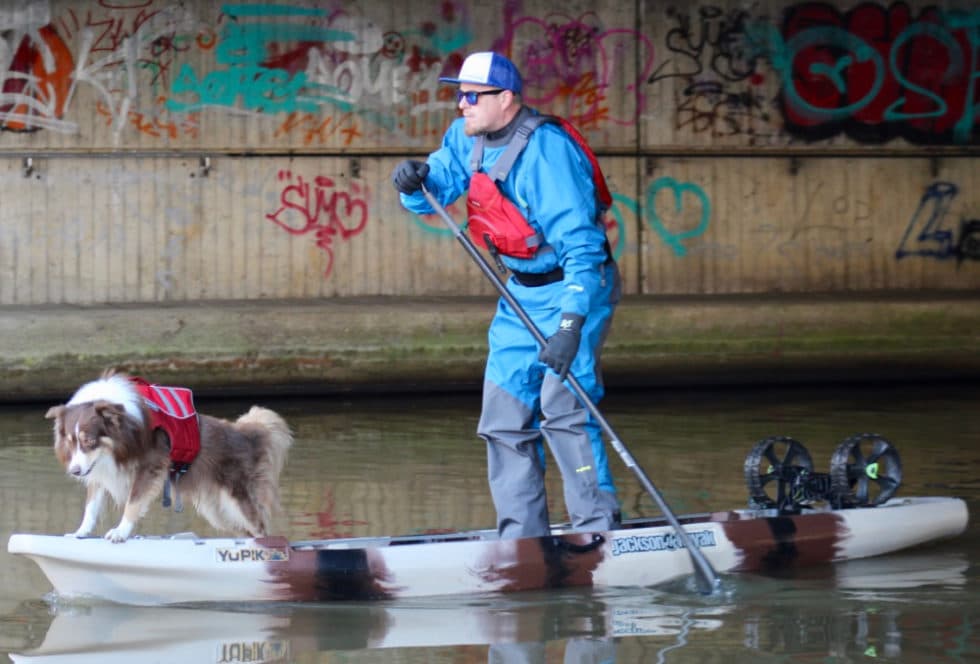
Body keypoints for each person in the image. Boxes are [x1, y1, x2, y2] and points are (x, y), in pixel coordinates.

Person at [392, 51, 621, 539]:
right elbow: (432, 190)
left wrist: (570, 326)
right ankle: (523, 538)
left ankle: (597, 527)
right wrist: (412, 183)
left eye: (472, 96)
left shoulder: (549, 152)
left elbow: (584, 247)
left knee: (564, 410)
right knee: (503, 417)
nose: (461, 104)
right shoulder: (464, 139)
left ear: (507, 99)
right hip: (519, 294)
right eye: (459, 94)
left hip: (574, 289)